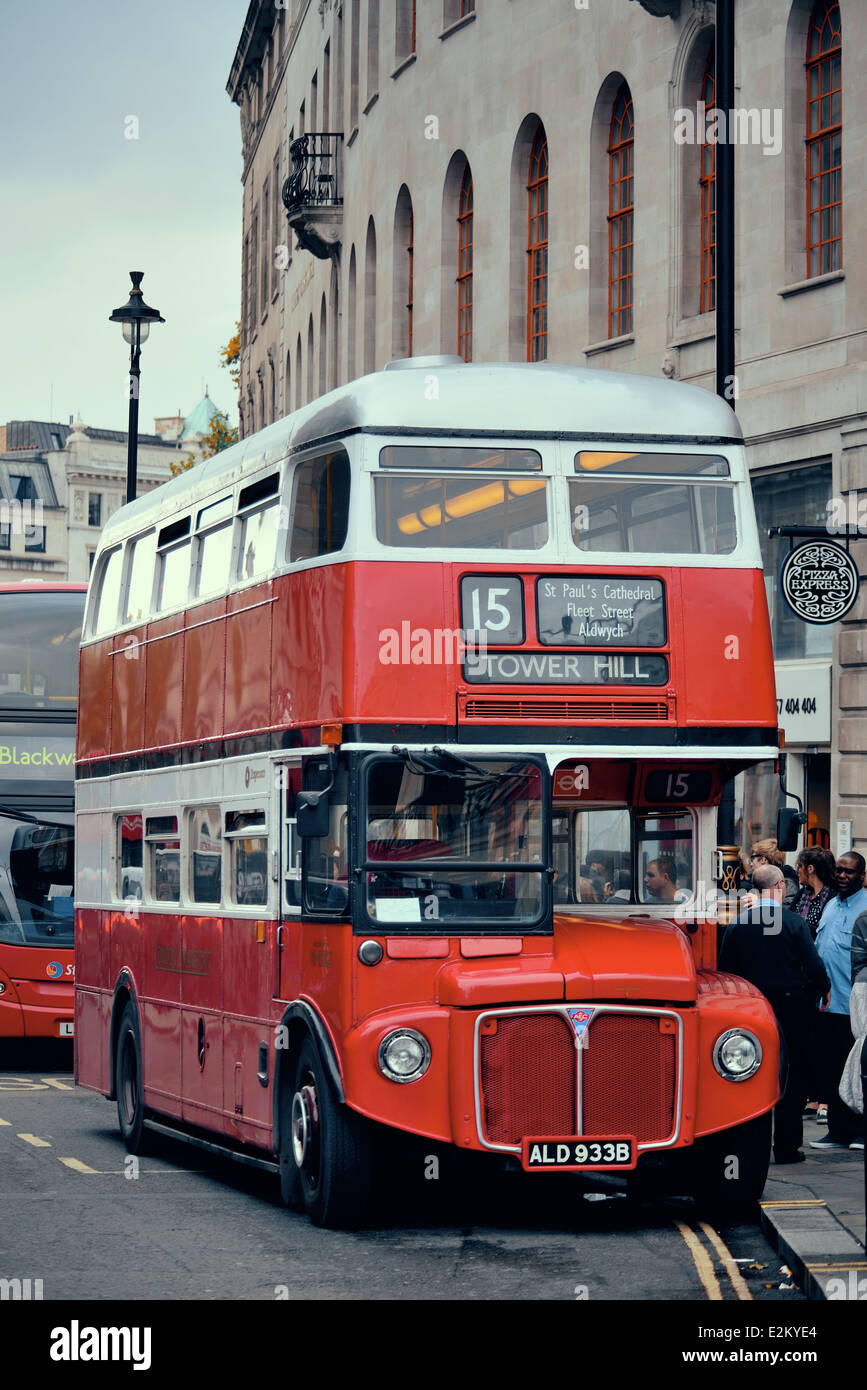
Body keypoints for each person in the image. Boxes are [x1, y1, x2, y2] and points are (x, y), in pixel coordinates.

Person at [719, 863, 830, 1165]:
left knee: (747, 1074)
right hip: (793, 1009)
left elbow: (725, 971)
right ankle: (786, 1146)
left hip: (750, 1010)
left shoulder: (738, 925)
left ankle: (745, 1147)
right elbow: (814, 964)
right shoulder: (795, 923)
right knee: (791, 1079)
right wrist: (824, 988)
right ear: (780, 886)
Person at [810, 851, 867, 1152]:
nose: (842, 876)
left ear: (862, 876)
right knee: (831, 1068)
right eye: (840, 871)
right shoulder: (831, 905)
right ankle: (837, 1132)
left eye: (850, 872)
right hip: (827, 1005)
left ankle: (860, 1132)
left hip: (855, 1006)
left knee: (858, 1069)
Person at [792, 847, 836, 939]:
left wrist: (798, 925)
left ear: (810, 869)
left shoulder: (833, 897)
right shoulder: (802, 893)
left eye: (799, 866)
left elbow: (824, 931)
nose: (797, 871)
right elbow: (789, 919)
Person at [750, 838, 798, 908]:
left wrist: (759, 902)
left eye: (753, 858)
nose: (751, 863)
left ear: (763, 860)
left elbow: (786, 912)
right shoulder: (759, 880)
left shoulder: (788, 883)